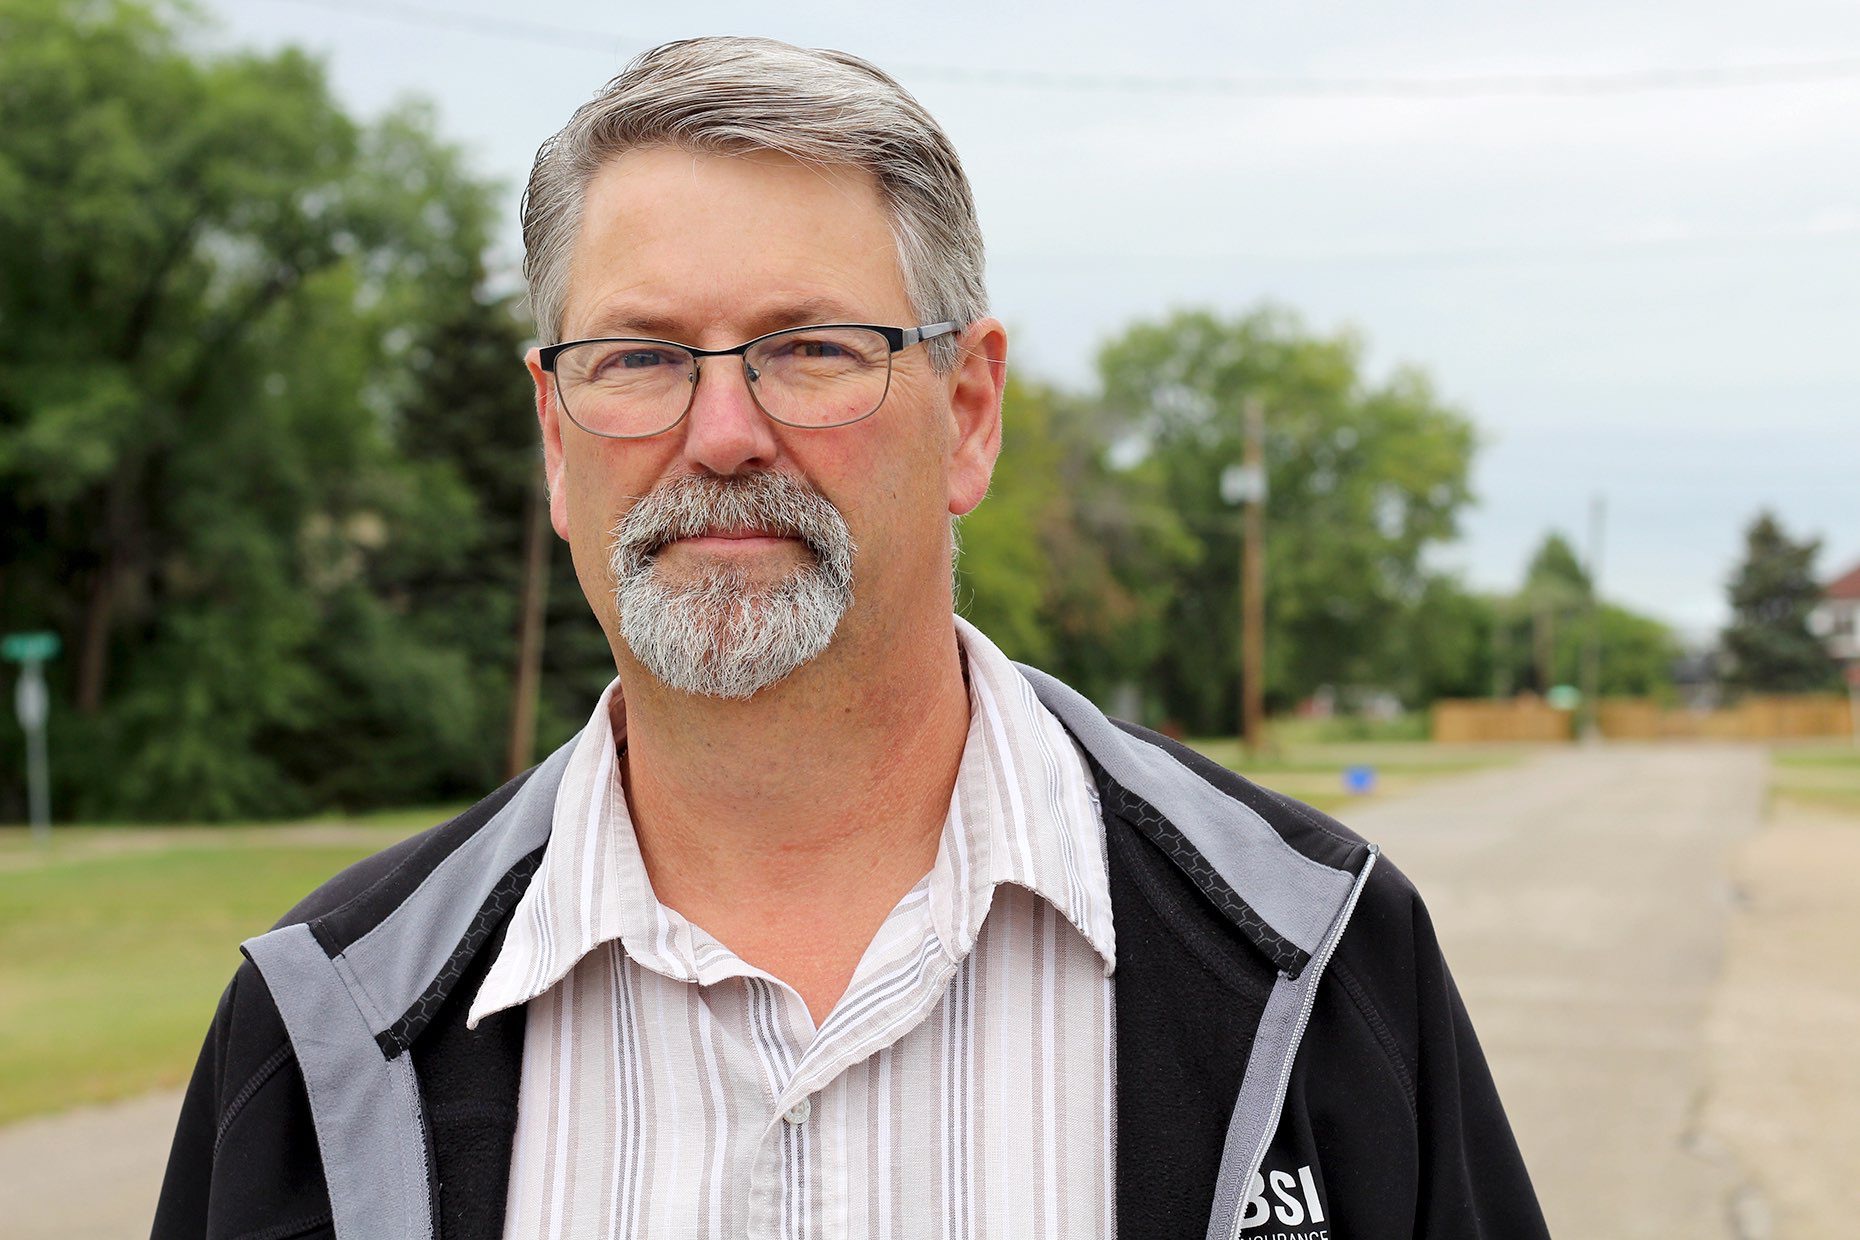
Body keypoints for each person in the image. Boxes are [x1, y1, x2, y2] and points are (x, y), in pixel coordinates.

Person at [153, 36, 1548, 1240]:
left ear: (972, 409)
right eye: (638, 357)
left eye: (812, 347)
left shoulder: (1318, 955)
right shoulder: (325, 1026)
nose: (722, 434)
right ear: (554, 439)